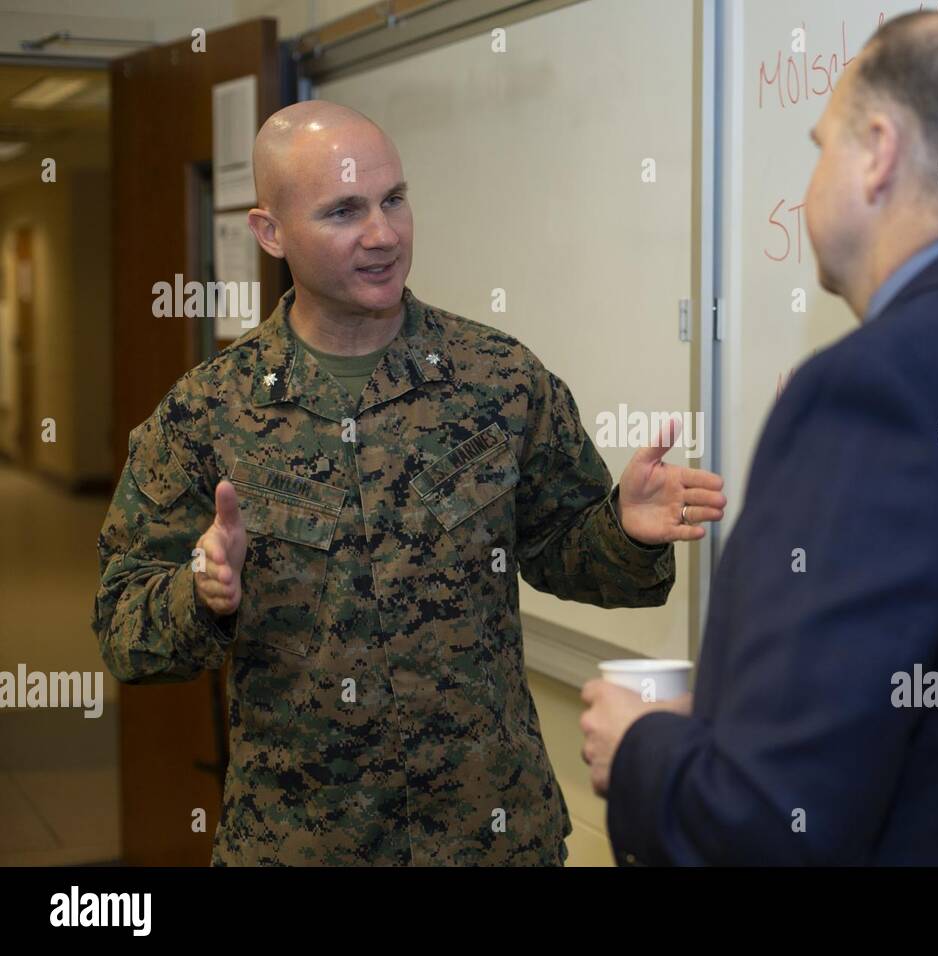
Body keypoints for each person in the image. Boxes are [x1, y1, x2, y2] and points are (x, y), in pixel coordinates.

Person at [580, 10, 938, 866]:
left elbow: (767, 830)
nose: (810, 178)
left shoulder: (873, 393)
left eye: (822, 145)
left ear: (879, 152)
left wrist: (637, 754)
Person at [93, 100, 726, 865]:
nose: (383, 235)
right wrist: (202, 592)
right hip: (300, 845)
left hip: (489, 835)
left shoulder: (499, 378)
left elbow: (564, 551)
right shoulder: (206, 414)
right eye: (343, 211)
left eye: (394, 199)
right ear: (270, 232)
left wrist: (622, 529)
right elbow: (125, 629)